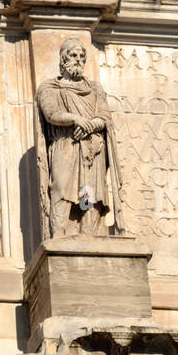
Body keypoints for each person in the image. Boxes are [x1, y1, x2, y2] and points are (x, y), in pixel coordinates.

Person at [35, 36, 122, 238]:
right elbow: (51, 114)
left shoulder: (95, 89)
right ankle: (58, 234)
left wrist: (90, 124)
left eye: (82, 56)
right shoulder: (49, 87)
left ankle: (88, 232)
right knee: (61, 188)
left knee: (89, 191)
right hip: (65, 144)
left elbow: (104, 116)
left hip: (92, 148)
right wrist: (75, 119)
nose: (78, 59)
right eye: (73, 55)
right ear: (63, 59)